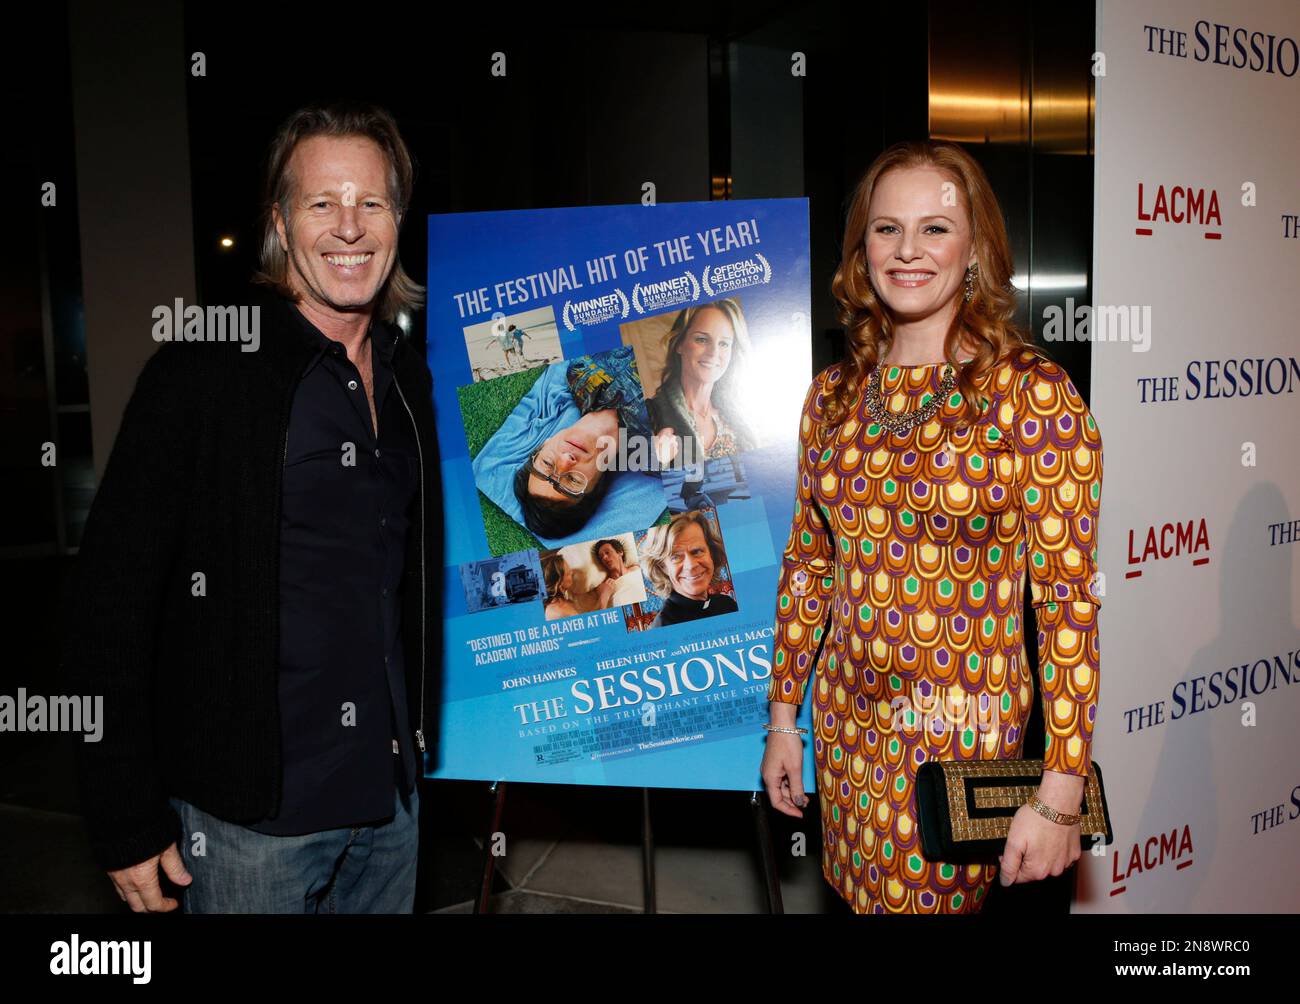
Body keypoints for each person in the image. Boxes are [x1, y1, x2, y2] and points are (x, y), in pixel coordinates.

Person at [61, 101, 442, 914]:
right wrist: (123, 815)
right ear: (279, 222)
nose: (349, 226)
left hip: (390, 812)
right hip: (247, 832)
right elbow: (108, 603)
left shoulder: (410, 377)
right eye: (321, 203)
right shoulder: (203, 372)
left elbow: (406, 580)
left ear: (398, 220)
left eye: (371, 202)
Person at [761, 139, 1104, 914]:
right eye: (886, 229)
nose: (908, 250)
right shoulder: (833, 396)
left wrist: (1059, 796)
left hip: (961, 739)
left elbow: (1067, 606)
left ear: (976, 246)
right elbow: (810, 566)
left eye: (935, 229)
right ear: (862, 249)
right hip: (847, 732)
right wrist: (783, 720)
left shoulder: (1031, 395)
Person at [512, 344, 663, 537]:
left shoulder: (580, 372)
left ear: (545, 444)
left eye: (547, 463)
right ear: (597, 487)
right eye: (573, 480)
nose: (566, 460)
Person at [645, 299, 758, 465]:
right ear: (679, 344)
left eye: (724, 343)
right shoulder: (649, 414)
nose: (713, 352)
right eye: (702, 340)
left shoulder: (742, 413)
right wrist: (655, 462)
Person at [639, 510, 738, 627]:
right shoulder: (664, 626)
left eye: (697, 551)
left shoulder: (727, 604)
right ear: (662, 567)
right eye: (676, 557)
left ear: (711, 552)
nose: (691, 565)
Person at [591, 537, 643, 609]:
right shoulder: (604, 586)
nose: (604, 558)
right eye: (601, 557)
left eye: (607, 552)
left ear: (620, 552)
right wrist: (605, 595)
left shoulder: (636, 569)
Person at [540, 553, 580, 620]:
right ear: (558, 583)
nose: (572, 573)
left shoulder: (557, 602)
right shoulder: (560, 611)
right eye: (568, 574)